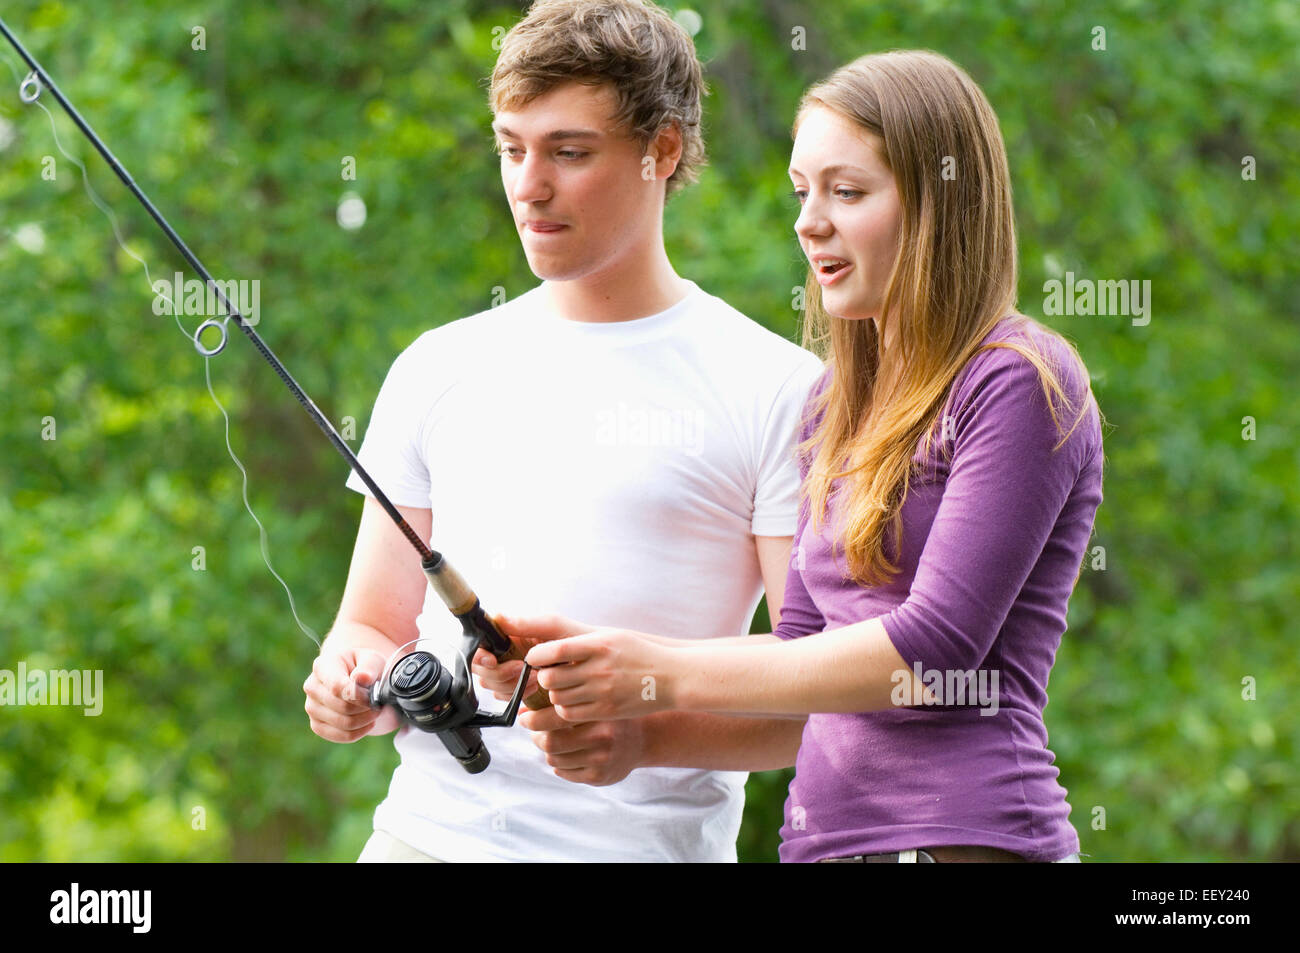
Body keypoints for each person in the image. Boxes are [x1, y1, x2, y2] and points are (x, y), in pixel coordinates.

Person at [509, 50, 1104, 863]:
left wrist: (660, 668)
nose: (808, 221)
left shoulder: (1019, 380)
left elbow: (932, 651)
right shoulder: (832, 402)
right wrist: (637, 724)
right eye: (802, 191)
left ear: (940, 203)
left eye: (847, 192)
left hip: (960, 839)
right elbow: (799, 659)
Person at [301, 0, 824, 862]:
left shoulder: (780, 389)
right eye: (511, 148)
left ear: (661, 150)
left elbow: (815, 700)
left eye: (568, 153)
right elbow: (368, 627)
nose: (527, 185)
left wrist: (643, 729)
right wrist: (352, 684)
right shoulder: (436, 366)